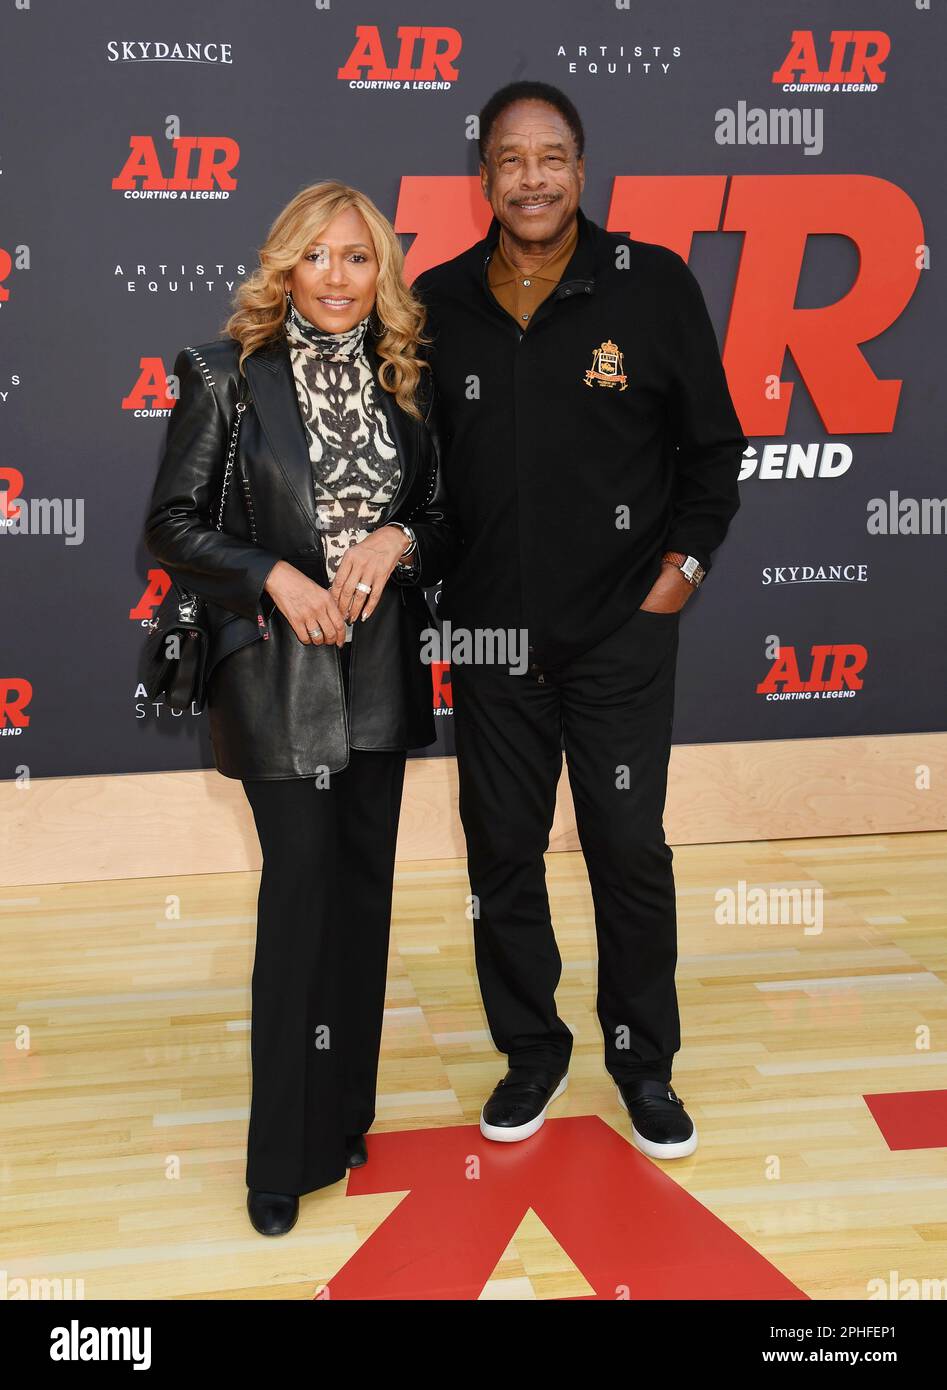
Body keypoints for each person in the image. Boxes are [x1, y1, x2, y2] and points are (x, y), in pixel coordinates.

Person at [413, 82, 747, 1158]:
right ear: (483, 180)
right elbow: (412, 478)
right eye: (509, 160)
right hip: (489, 640)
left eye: (550, 156)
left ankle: (642, 1061)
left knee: (625, 847)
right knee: (501, 853)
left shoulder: (648, 287)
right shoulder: (435, 300)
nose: (531, 178)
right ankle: (531, 1053)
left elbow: (712, 455)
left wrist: (673, 582)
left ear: (580, 168)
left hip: (617, 635)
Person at [143, 181, 459, 1235]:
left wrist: (396, 538)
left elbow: (445, 519)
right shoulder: (225, 378)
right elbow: (172, 526)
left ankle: (342, 1115)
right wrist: (274, 574)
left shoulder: (404, 378)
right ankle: (278, 1156)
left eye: (357, 258)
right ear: (286, 268)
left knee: (362, 898)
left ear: (383, 274)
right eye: (317, 257)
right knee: (299, 905)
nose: (336, 277)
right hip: (279, 676)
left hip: (378, 676)